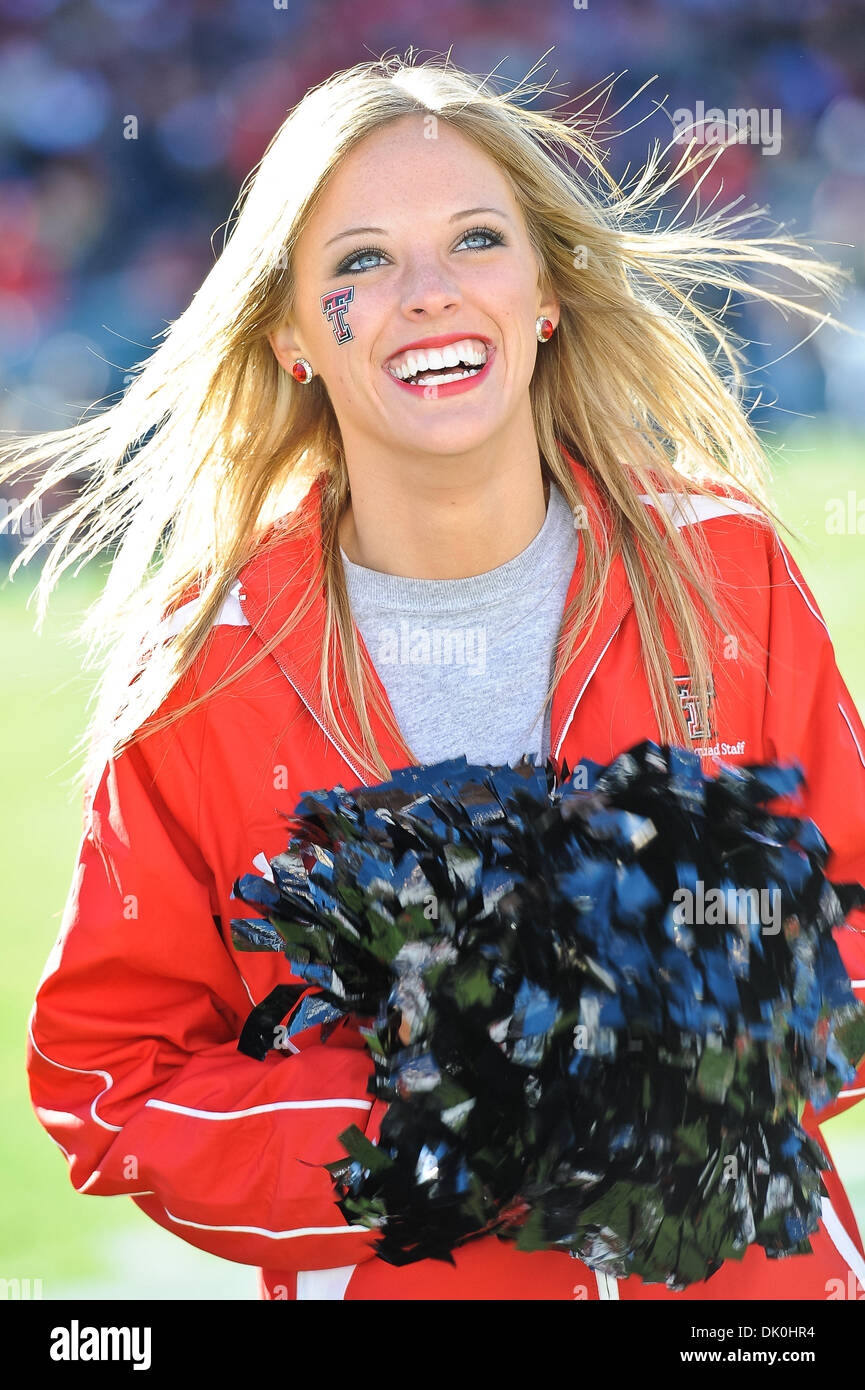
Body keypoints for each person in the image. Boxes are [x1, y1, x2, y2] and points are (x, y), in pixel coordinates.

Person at [8, 54, 865, 1301]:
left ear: (545, 291)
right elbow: (111, 1083)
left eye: (475, 238)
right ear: (291, 336)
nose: (426, 292)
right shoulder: (203, 663)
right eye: (358, 261)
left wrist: (672, 1048)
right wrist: (429, 1130)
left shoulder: (720, 569)